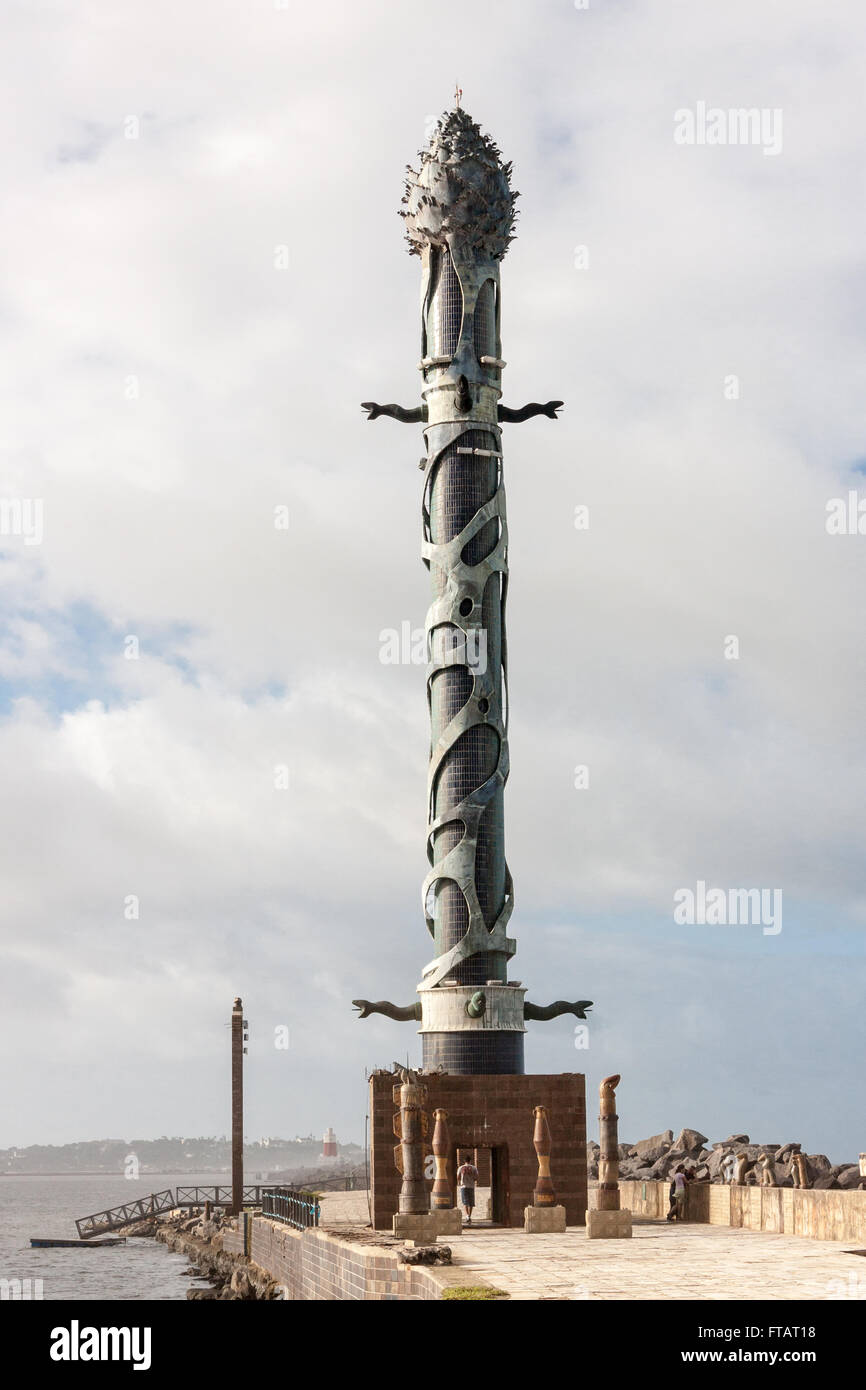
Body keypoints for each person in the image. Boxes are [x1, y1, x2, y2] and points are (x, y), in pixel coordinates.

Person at [456, 1151, 480, 1225]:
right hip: (471, 1186)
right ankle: (470, 1215)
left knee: (465, 1202)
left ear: (464, 1161)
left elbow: (458, 1177)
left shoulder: (461, 1168)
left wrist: (460, 1181)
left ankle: (467, 1216)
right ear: (470, 1160)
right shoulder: (474, 1168)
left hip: (463, 1187)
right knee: (471, 1202)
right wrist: (472, 1179)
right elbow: (476, 1177)